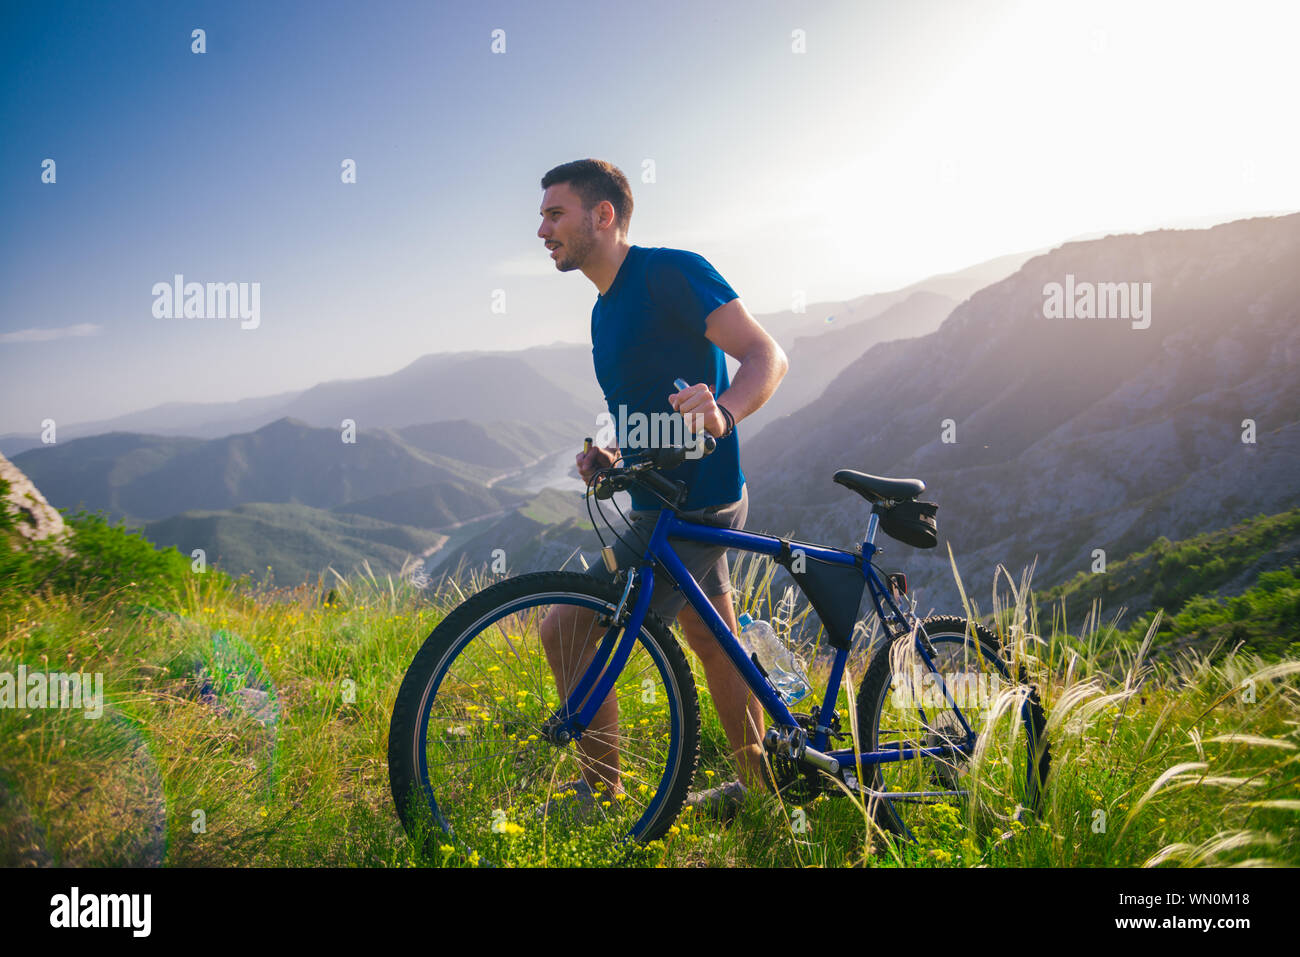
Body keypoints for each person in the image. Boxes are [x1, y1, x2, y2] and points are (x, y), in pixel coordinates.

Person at [535, 158, 789, 819]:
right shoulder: (603, 311)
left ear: (604, 215)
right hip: (661, 498)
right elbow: (644, 410)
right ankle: (762, 789)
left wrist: (724, 410)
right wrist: (613, 454)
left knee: (564, 630)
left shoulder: (669, 272)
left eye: (554, 214)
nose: (542, 229)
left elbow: (768, 355)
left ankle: (602, 795)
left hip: (698, 500)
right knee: (714, 640)